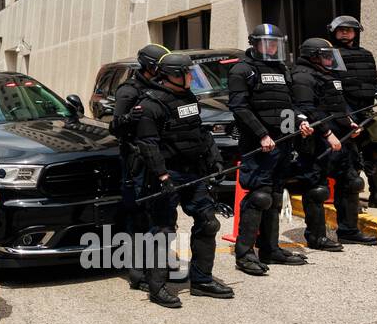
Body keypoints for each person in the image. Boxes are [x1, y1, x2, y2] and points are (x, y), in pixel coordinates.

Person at [130, 53, 234, 307]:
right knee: (163, 231)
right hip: (166, 174)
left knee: (208, 222)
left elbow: (200, 133)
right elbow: (148, 145)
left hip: (193, 171)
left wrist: (215, 159)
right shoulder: (150, 105)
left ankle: (201, 281)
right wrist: (162, 175)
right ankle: (157, 288)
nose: (191, 77)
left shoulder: (188, 98)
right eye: (188, 73)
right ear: (173, 75)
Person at [225, 24, 306, 276]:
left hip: (282, 142)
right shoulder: (242, 70)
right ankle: (244, 254)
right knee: (259, 197)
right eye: (266, 43)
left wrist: (300, 122)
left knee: (274, 195)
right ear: (255, 43)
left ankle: (270, 249)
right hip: (258, 143)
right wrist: (261, 134)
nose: (271, 47)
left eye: (275, 43)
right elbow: (239, 107)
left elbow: (288, 104)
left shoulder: (282, 69)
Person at [290, 39, 377, 248]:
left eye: (331, 55)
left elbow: (338, 104)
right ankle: (316, 237)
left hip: (341, 138)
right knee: (317, 189)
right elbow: (308, 109)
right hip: (318, 140)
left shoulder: (329, 75)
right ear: (313, 56)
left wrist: (350, 122)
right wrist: (327, 133)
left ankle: (349, 231)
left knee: (351, 182)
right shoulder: (302, 76)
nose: (330, 59)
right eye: (326, 56)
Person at [109, 43, 170, 290]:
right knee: (138, 215)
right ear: (149, 66)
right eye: (159, 67)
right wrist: (127, 118)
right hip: (136, 161)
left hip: (157, 156)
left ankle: (156, 265)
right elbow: (115, 127)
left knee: (158, 214)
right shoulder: (129, 90)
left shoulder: (160, 87)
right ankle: (137, 273)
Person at [328, 15, 377, 209]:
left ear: (356, 33)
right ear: (334, 32)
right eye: (341, 30)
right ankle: (348, 199)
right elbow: (332, 88)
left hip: (366, 112)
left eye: (349, 30)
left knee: (376, 151)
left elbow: (374, 81)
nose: (345, 33)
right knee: (349, 156)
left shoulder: (366, 54)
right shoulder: (331, 55)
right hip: (344, 113)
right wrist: (346, 117)